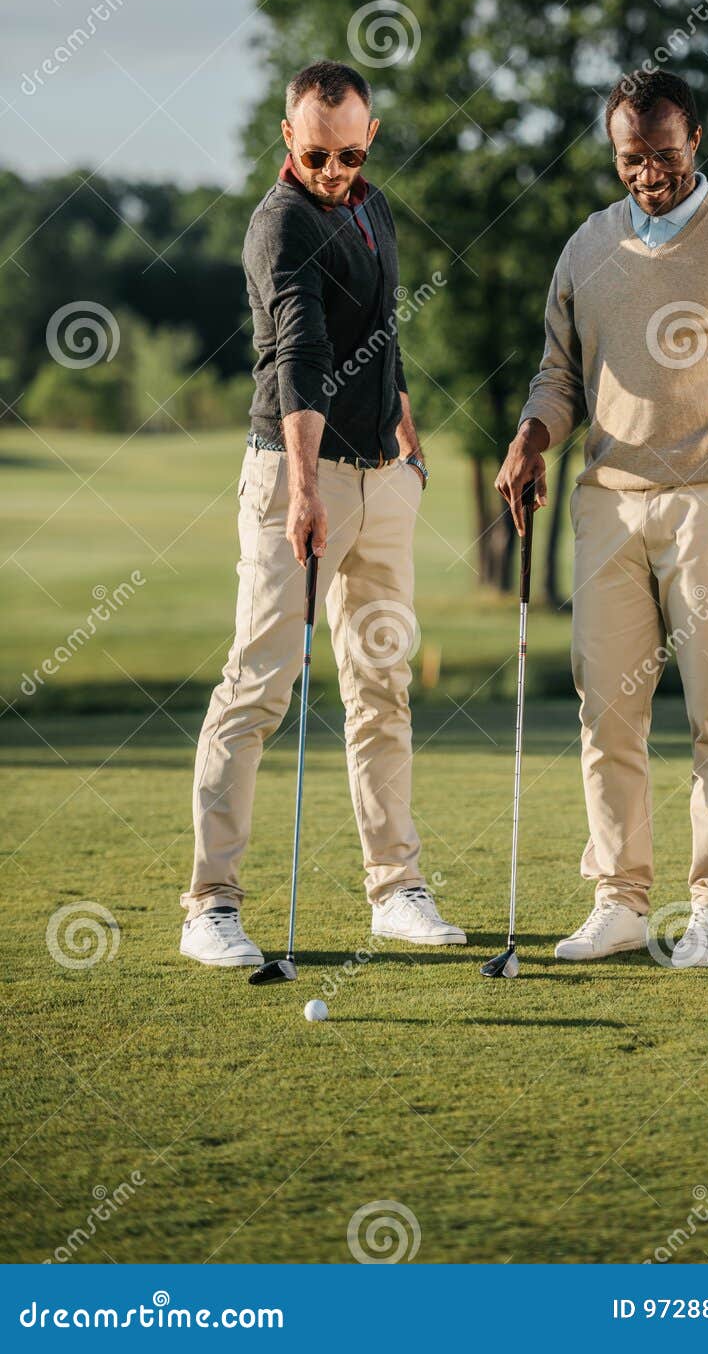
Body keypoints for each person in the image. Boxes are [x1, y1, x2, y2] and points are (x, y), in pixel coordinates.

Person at [496, 69, 708, 968]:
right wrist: (532, 436)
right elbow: (558, 374)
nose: (648, 175)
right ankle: (621, 901)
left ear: (697, 141)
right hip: (607, 502)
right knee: (609, 715)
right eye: (630, 159)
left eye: (665, 156)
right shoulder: (588, 245)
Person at [181, 59, 464, 967]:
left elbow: (380, 335)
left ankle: (396, 890)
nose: (333, 171)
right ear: (286, 141)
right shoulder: (281, 225)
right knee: (259, 685)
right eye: (315, 155)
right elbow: (299, 357)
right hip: (298, 478)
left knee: (381, 684)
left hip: (384, 477)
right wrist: (306, 490)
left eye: (347, 153)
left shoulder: (370, 205)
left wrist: (406, 437)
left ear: (370, 135)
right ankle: (210, 906)